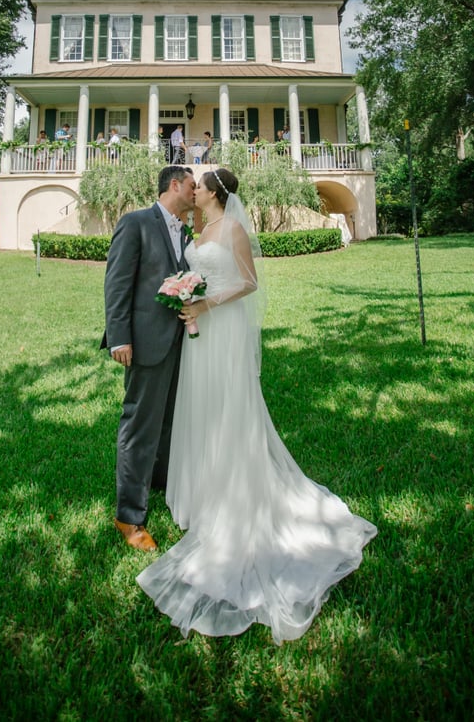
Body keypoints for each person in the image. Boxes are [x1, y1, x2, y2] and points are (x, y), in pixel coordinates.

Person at [137, 167, 377, 643]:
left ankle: (231, 489)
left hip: (221, 329)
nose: (194, 189)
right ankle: (199, 490)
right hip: (197, 335)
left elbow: (248, 283)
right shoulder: (200, 229)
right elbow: (193, 271)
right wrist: (184, 293)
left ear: (215, 193)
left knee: (227, 407)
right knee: (198, 408)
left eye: (201, 185)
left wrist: (206, 304)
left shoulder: (234, 229)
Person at [102, 166, 197, 553]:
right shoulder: (136, 223)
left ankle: (158, 481)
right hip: (144, 343)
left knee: (169, 421)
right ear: (174, 185)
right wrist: (119, 337)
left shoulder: (187, 232)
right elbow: (117, 282)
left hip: (181, 343)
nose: (196, 193)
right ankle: (129, 516)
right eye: (192, 186)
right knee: (140, 424)